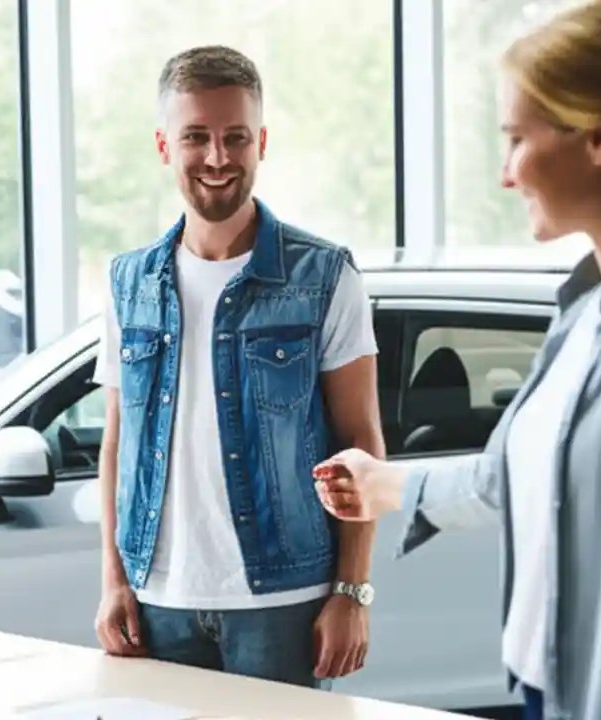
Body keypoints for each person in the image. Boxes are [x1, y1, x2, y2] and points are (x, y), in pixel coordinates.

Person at [313, 2, 601, 718]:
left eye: (517, 139)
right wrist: (382, 485)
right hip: (540, 695)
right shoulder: (585, 309)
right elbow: (510, 476)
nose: (506, 174)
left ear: (600, 137)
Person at [92, 45, 385, 688]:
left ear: (262, 143)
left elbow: (361, 443)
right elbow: (120, 442)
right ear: (165, 145)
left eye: (236, 137)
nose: (218, 158)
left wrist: (352, 591)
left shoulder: (323, 276)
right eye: (197, 136)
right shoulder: (129, 283)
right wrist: (114, 580)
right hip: (158, 601)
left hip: (284, 602)